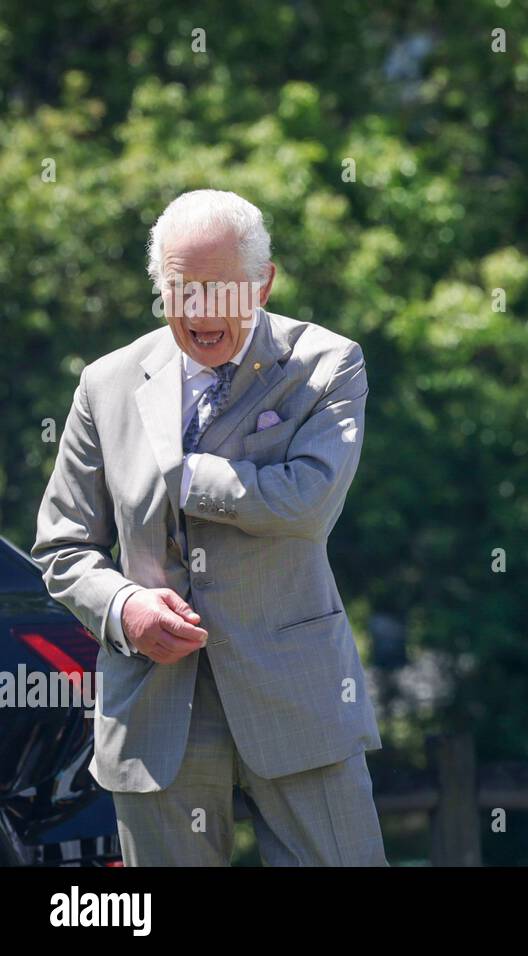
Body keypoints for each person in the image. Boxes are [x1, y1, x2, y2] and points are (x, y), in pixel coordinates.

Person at [32, 189, 386, 866]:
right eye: (180, 291)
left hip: (299, 701)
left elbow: (308, 505)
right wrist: (126, 607)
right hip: (155, 712)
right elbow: (64, 546)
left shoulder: (329, 364)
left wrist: (183, 473)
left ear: (265, 282)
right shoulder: (104, 385)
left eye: (222, 290)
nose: (200, 313)